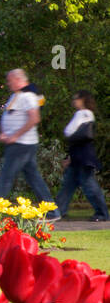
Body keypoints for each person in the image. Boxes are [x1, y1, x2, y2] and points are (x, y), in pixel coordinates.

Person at [0, 68, 56, 212]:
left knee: (6, 177)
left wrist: (15, 135)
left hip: (22, 144)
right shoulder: (16, 96)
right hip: (17, 143)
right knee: (34, 178)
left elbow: (34, 118)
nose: (8, 83)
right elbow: (8, 116)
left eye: (10, 80)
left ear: (18, 79)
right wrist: (4, 133)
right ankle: (52, 211)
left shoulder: (28, 96)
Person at [53, 91, 110, 221]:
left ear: (83, 99)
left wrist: (70, 139)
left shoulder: (84, 114)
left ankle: (102, 213)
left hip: (83, 157)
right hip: (78, 156)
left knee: (89, 185)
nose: (74, 101)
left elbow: (82, 135)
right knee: (68, 185)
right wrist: (70, 157)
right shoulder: (82, 114)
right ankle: (58, 211)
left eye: (76, 98)